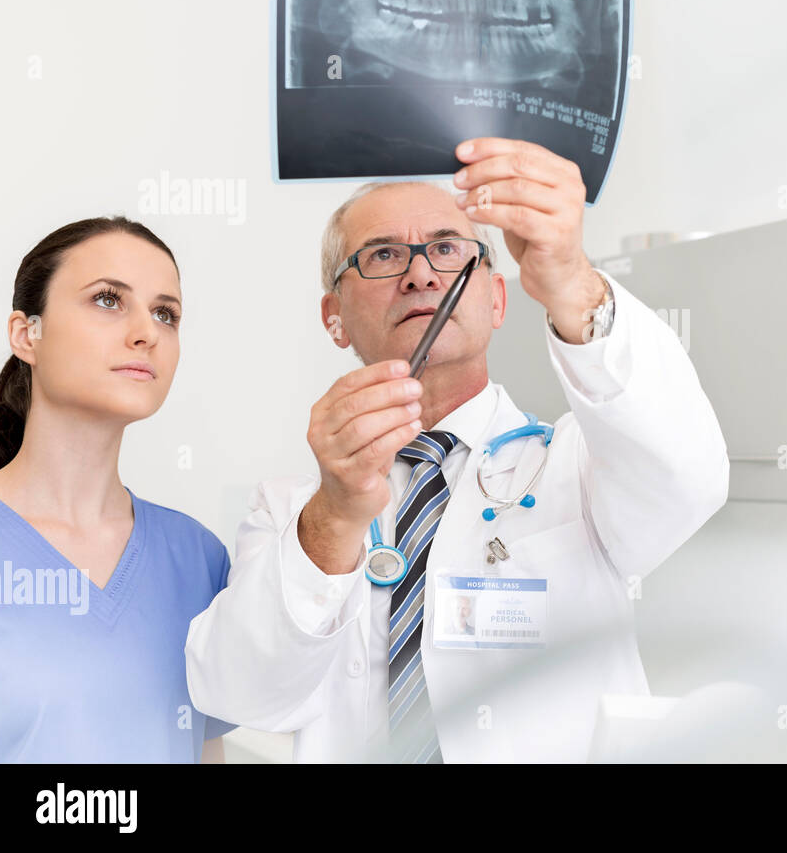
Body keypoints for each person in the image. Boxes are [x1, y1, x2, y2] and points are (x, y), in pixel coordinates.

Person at [185, 137, 729, 762]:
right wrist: (336, 515)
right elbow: (240, 696)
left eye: (446, 248)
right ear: (334, 318)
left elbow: (689, 478)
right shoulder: (291, 513)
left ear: (497, 300)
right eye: (383, 255)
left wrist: (574, 283)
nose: (421, 273)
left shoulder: (577, 468)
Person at [0, 217, 235, 762]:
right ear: (28, 334)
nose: (146, 331)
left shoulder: (198, 559)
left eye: (165, 313)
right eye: (107, 300)